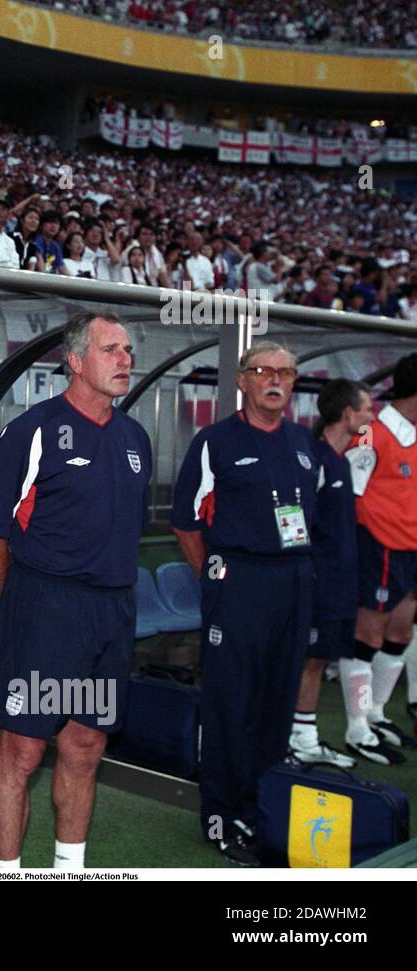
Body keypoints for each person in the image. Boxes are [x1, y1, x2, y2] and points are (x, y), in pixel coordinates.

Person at [0, 311, 150, 870]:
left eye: (128, 350)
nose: (126, 360)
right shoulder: (33, 431)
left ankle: (67, 867)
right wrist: (25, 606)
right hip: (45, 609)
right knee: (23, 750)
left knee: (84, 745)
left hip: (111, 613)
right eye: (112, 350)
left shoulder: (135, 438)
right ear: (75, 361)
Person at [172, 341, 319, 866]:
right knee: (230, 702)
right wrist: (216, 580)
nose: (275, 380)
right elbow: (186, 522)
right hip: (239, 582)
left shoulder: (304, 443)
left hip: (293, 580)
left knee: (276, 702)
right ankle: (221, 814)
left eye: (285, 371)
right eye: (263, 371)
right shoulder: (216, 441)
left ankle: (263, 804)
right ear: (243, 379)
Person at [290, 379, 372, 768]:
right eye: (366, 409)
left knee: (320, 660)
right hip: (318, 582)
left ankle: (303, 736)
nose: (371, 415)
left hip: (340, 582)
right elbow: (296, 520)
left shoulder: (341, 459)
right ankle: (299, 741)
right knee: (309, 660)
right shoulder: (314, 458)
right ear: (347, 413)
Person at [346, 353, 417, 759]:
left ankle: (376, 713)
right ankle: (356, 726)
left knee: (401, 634)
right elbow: (350, 492)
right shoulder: (374, 431)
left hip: (411, 548)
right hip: (379, 546)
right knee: (367, 635)